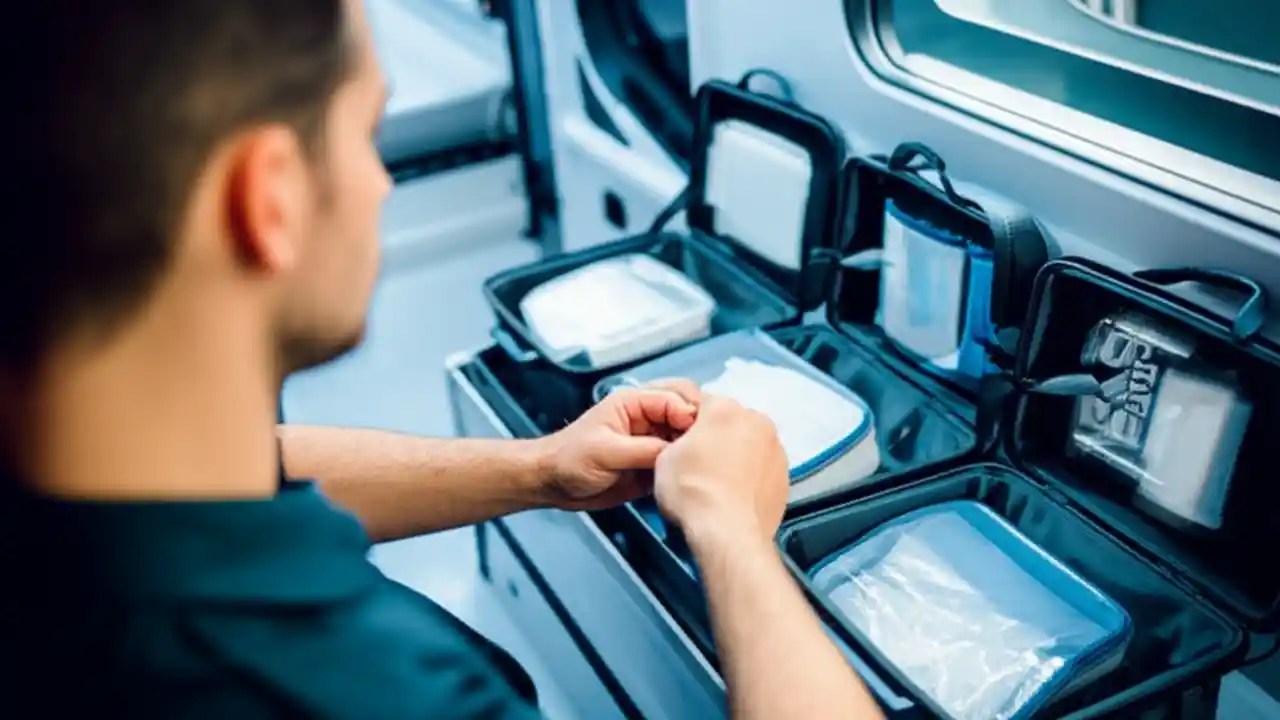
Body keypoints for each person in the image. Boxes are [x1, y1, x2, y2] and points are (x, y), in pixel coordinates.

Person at [0, 1, 882, 718]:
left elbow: (263, 471)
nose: (380, 184)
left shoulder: (94, 466)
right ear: (267, 198)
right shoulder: (352, 689)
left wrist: (544, 468)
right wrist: (732, 535)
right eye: (364, 134)